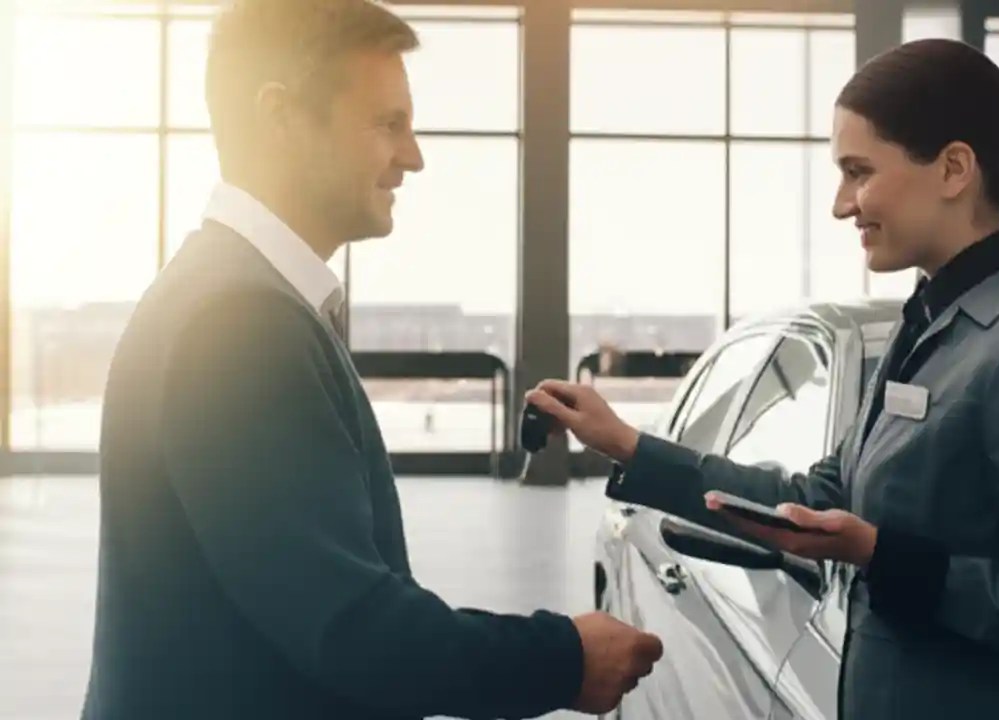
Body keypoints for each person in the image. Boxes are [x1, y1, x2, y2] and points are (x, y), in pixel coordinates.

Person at [526, 38, 999, 720]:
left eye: (859, 171)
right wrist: (629, 445)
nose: (843, 205)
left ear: (954, 168)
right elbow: (819, 496)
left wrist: (882, 556)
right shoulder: (930, 325)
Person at [84, 1, 661, 718]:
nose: (413, 156)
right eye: (388, 124)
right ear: (281, 117)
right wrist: (564, 660)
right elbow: (348, 626)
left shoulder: (231, 293)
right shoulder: (239, 321)